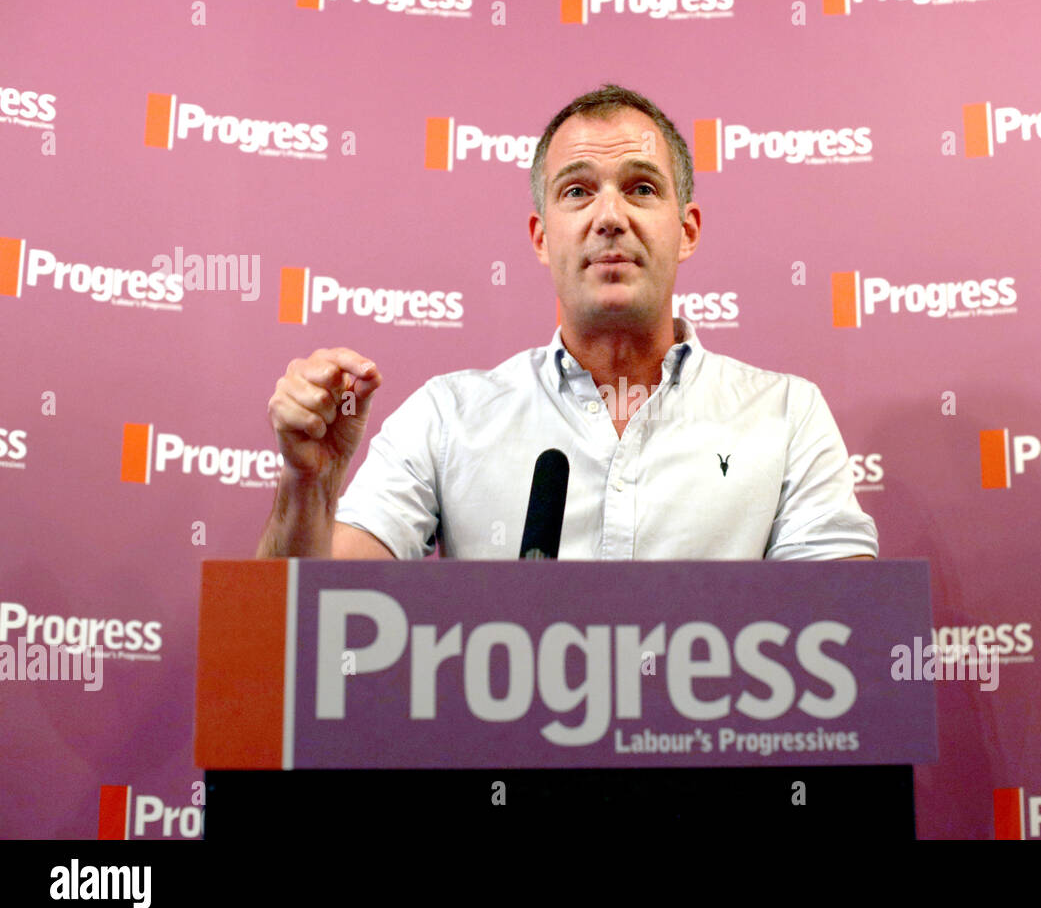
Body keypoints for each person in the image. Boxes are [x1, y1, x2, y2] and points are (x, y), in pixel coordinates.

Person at [257, 85, 877, 561]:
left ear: (685, 231)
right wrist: (308, 482)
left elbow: (847, 645)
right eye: (577, 192)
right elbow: (300, 633)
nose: (609, 216)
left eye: (640, 189)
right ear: (540, 236)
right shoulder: (447, 418)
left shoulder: (787, 416)